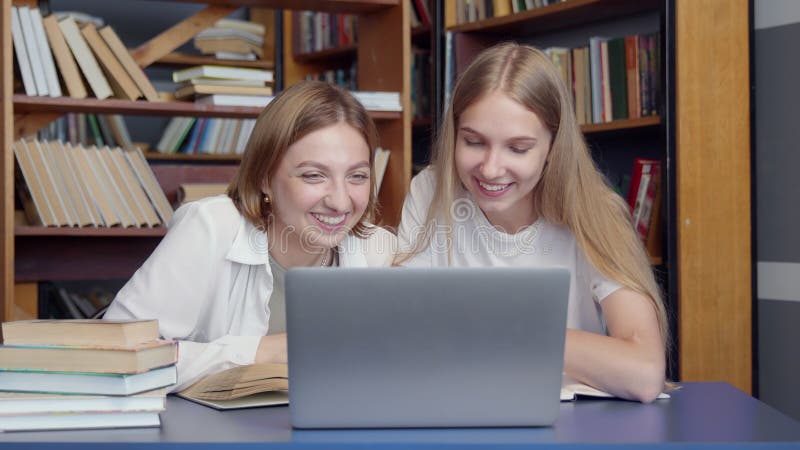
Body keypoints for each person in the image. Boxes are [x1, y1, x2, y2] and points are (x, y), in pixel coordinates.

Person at [396, 43, 668, 403]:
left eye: (518, 148)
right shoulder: (431, 191)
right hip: (453, 407)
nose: (491, 168)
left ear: (553, 147)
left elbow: (644, 373)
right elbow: (402, 337)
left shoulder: (597, 213)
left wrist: (506, 329)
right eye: (474, 142)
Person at [105, 81, 396, 391]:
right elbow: (113, 355)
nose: (340, 201)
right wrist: (259, 352)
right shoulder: (211, 227)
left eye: (357, 176)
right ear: (265, 178)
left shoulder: (378, 250)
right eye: (314, 175)